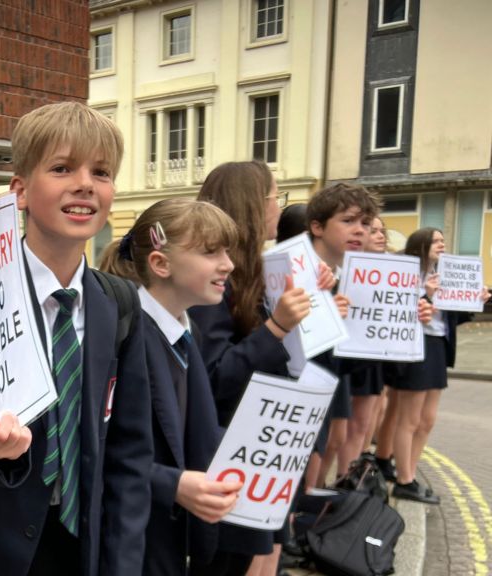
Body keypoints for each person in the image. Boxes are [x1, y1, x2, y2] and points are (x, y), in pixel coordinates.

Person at [0, 101, 154, 576]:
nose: (85, 184)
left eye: (102, 172)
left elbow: (130, 452)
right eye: (61, 168)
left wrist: (125, 558)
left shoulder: (121, 304)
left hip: (83, 541)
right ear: (20, 191)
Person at [188, 161, 315, 576]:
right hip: (227, 454)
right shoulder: (211, 282)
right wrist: (276, 327)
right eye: (276, 196)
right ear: (253, 205)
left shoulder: (254, 274)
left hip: (255, 451)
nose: (279, 207)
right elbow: (213, 379)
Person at [104, 198, 243, 576]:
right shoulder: (122, 335)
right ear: (160, 264)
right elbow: (95, 448)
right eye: (210, 252)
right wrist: (173, 485)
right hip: (135, 541)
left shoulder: (187, 330)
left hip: (174, 537)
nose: (228, 264)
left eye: (226, 251)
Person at [388, 228, 489, 504]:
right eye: (436, 240)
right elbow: (392, 314)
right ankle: (403, 480)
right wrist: (426, 294)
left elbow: (450, 320)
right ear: (420, 244)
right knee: (409, 418)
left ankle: (409, 470)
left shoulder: (443, 274)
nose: (442, 243)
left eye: (444, 239)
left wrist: (473, 302)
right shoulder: (407, 275)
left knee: (427, 419)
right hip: (416, 346)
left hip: (437, 347)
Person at [301, 183, 381, 489]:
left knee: (322, 452)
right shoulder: (298, 273)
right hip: (297, 401)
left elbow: (341, 361)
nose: (360, 231)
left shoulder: (341, 280)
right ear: (317, 226)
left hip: (325, 387)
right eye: (348, 221)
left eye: (364, 223)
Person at [339, 217, 388, 468]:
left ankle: (352, 475)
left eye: (382, 231)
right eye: (373, 230)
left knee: (366, 422)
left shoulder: (389, 272)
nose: (379, 235)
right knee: (345, 426)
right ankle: (342, 478)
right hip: (349, 352)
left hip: (373, 351)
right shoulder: (344, 270)